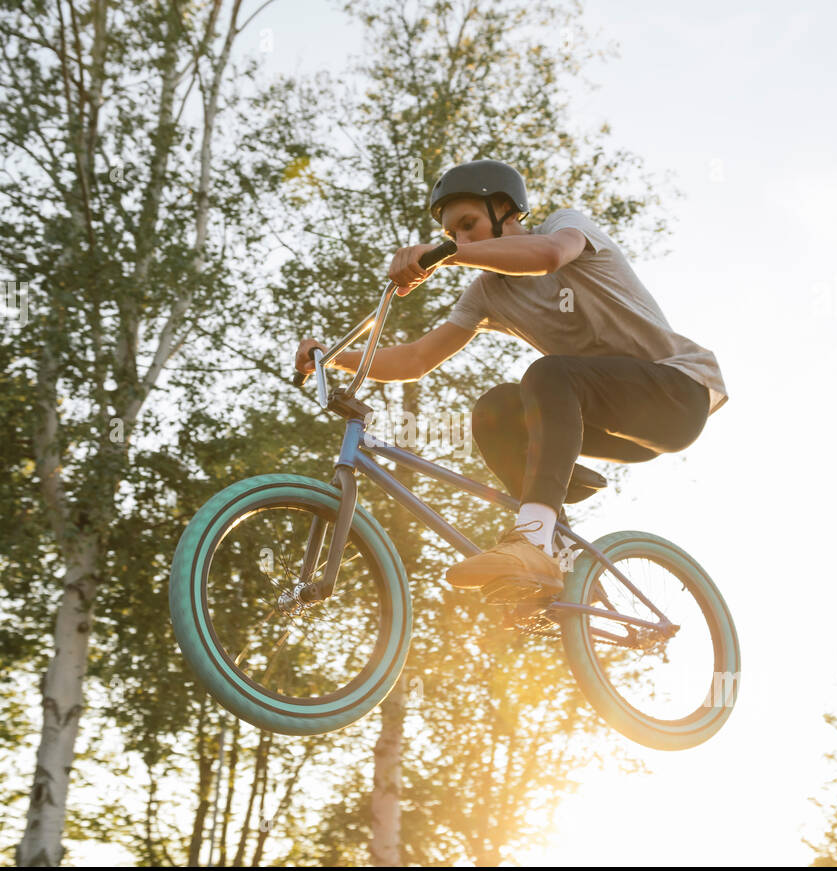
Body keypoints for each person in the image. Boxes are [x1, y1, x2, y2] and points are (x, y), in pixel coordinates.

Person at [294, 159, 728, 602]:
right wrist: (329, 359)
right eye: (452, 237)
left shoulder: (565, 227)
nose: (462, 241)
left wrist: (444, 257)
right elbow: (416, 358)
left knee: (549, 374)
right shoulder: (486, 294)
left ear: (506, 209)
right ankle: (561, 565)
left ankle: (532, 540)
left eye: (469, 225)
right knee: (495, 409)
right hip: (612, 421)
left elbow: (547, 257)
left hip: (678, 395)